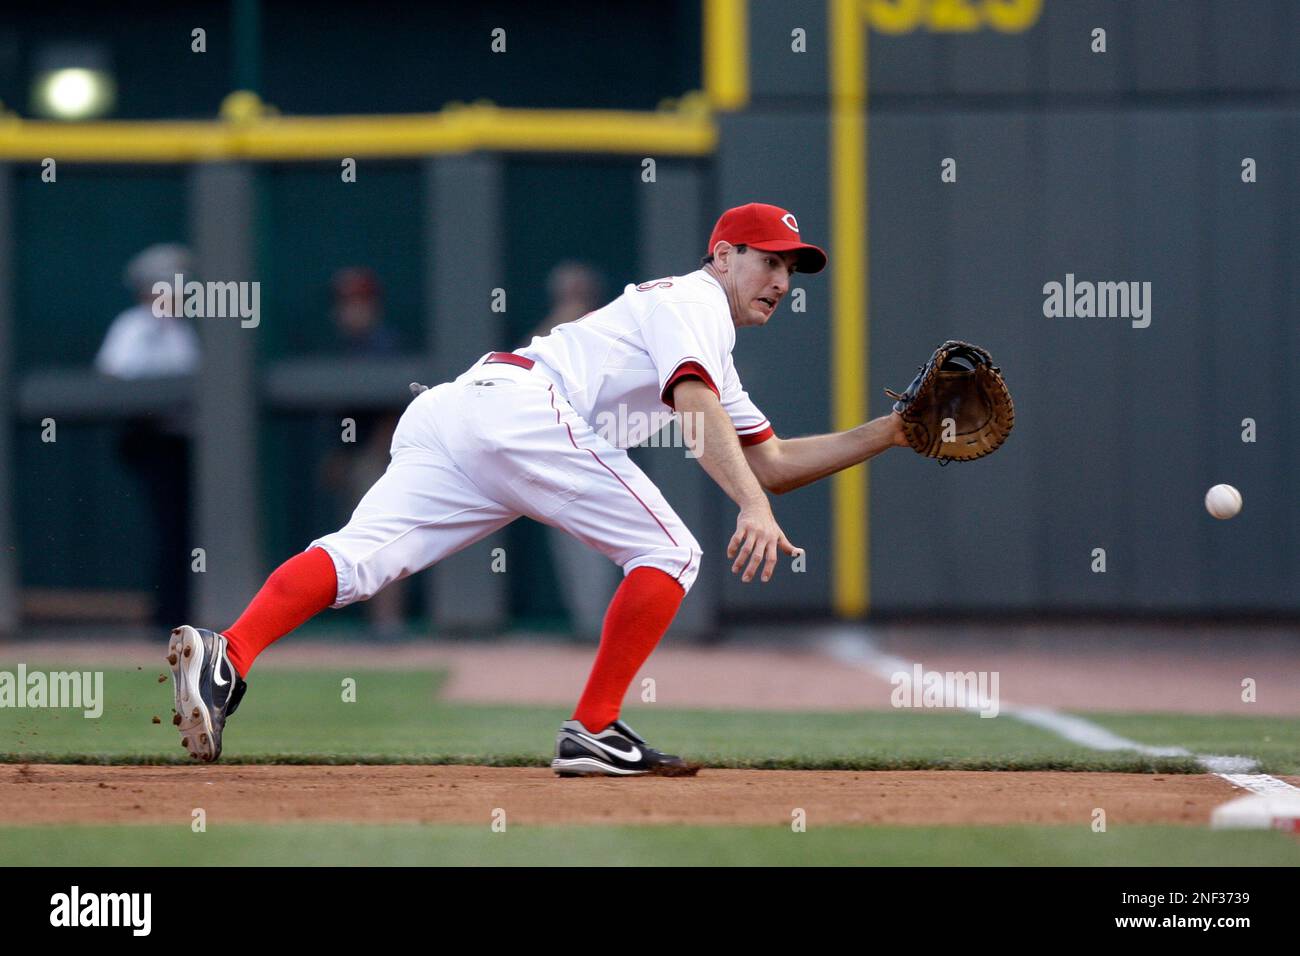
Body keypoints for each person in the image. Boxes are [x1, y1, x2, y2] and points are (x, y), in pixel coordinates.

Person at [166, 202, 908, 775]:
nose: (781, 280)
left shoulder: (711, 340)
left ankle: (228, 651)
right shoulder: (695, 303)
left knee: (358, 560)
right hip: (525, 411)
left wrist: (893, 430)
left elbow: (771, 460)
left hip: (464, 410)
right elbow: (693, 405)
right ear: (723, 255)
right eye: (770, 261)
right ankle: (593, 729)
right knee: (673, 550)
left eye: (793, 269)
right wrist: (748, 504)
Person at [97, 244, 200, 628]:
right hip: (150, 441)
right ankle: (166, 617)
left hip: (189, 443)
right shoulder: (133, 326)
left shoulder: (188, 329)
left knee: (188, 530)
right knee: (168, 527)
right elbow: (114, 377)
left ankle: (185, 612)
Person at [526, 262, 621, 638]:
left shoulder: (612, 325)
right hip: (560, 458)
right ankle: (589, 627)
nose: (573, 301)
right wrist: (561, 318)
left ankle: (611, 627)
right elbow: (522, 362)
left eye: (579, 293)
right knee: (574, 547)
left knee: (621, 544)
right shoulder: (549, 335)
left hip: (607, 453)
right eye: (567, 294)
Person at [317, 267, 406, 639]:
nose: (351, 310)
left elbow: (393, 408)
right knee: (357, 540)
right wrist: (340, 455)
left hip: (379, 455)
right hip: (356, 454)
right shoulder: (347, 346)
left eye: (358, 302)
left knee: (382, 540)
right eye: (345, 302)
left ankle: (389, 622)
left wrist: (379, 456)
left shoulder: (384, 343)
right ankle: (374, 624)